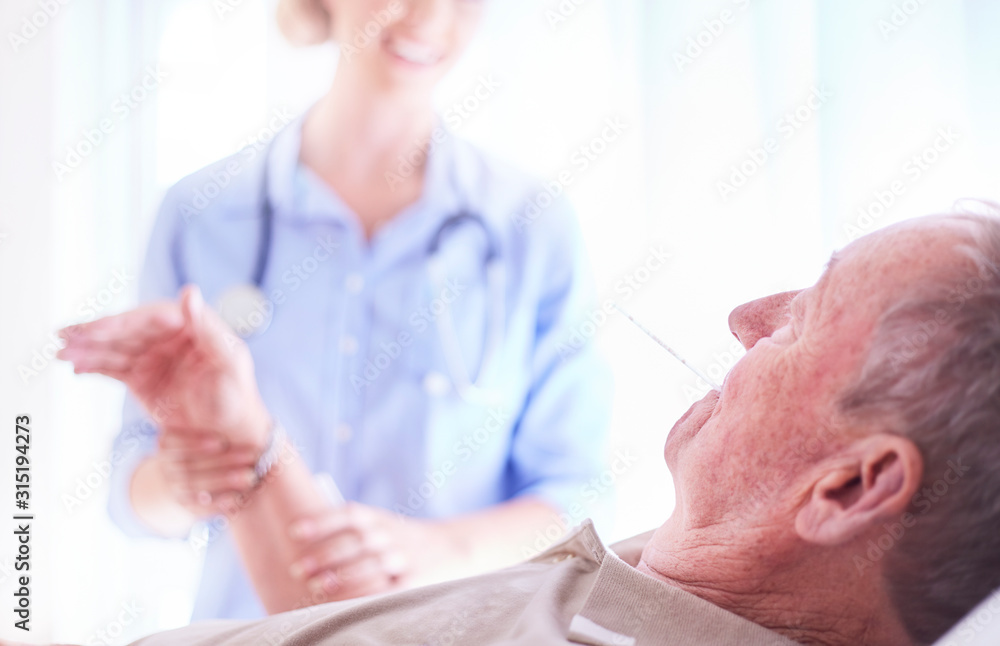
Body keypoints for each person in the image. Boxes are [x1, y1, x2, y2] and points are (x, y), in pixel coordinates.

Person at [59, 205, 1000, 645]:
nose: (747, 319)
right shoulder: (665, 594)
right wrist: (247, 442)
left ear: (850, 487)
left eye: (805, 313)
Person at [85, 0, 612, 621]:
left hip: (452, 630)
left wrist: (438, 550)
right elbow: (131, 487)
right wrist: (177, 484)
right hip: (251, 628)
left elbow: (573, 494)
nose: (429, 16)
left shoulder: (531, 226)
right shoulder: (200, 213)